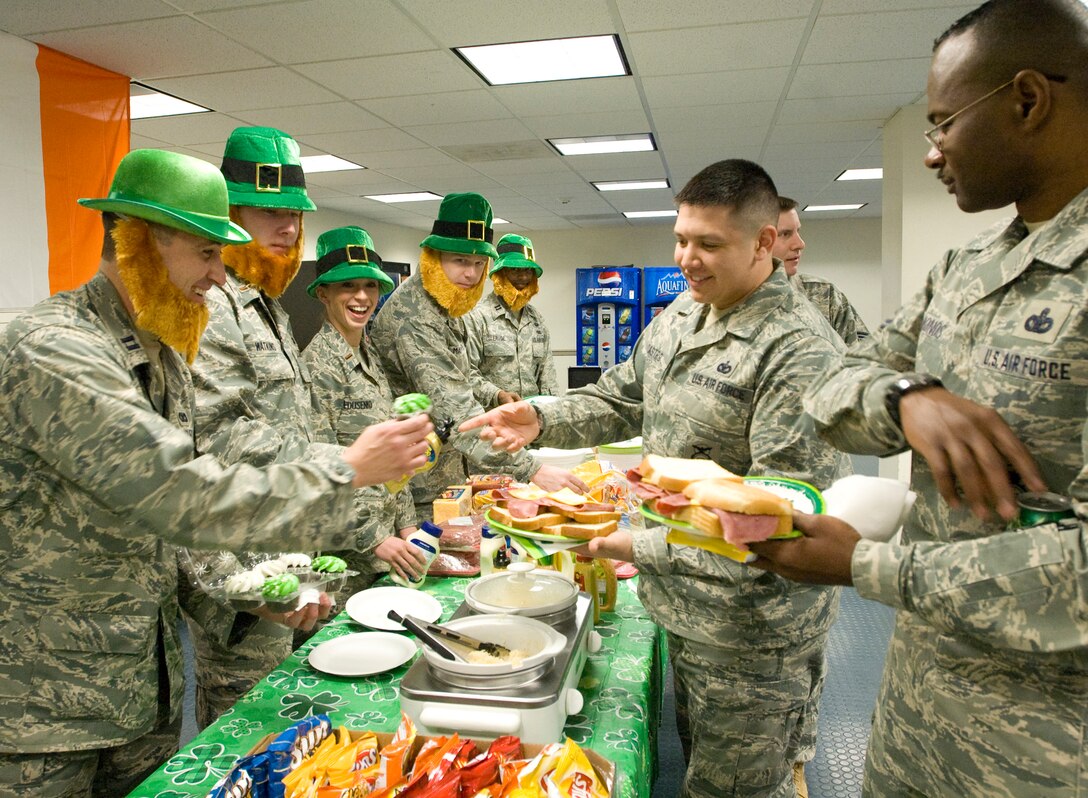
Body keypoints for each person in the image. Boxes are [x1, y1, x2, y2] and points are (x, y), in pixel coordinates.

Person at [0, 148, 430, 796]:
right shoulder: (56, 349)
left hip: (143, 680)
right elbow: (176, 493)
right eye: (205, 254)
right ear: (141, 242)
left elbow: (163, 533)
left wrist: (247, 593)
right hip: (47, 704)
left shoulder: (159, 349)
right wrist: (342, 469)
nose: (215, 275)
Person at [750, 2, 1088, 796]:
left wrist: (870, 567)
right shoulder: (965, 268)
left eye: (942, 124)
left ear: (1028, 99)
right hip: (920, 710)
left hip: (1047, 748)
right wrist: (907, 398)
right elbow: (831, 384)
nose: (932, 153)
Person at [461, 160, 851, 798]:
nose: (688, 259)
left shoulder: (799, 352)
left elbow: (778, 528)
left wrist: (633, 546)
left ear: (763, 244)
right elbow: (620, 398)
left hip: (753, 636)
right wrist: (538, 417)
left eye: (709, 244)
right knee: (699, 765)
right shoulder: (683, 311)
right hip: (687, 609)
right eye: (682, 239)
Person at [178, 126, 340, 730]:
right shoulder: (213, 303)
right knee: (246, 730)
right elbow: (221, 440)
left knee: (287, 726)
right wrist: (348, 467)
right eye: (270, 212)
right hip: (241, 564)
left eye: (295, 213)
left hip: (285, 548)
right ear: (229, 215)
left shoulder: (266, 301)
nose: (289, 228)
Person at [370, 192, 585, 520]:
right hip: (412, 484)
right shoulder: (414, 313)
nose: (470, 274)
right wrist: (532, 468)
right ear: (434, 256)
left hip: (449, 467)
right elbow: (454, 406)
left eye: (477, 263)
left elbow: (463, 378)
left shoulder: (447, 301)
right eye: (459, 260)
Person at [301, 226, 428, 591]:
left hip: (389, 545)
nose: (361, 296)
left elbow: (393, 452)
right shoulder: (318, 366)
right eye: (348, 286)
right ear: (323, 293)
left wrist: (406, 524)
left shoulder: (368, 353)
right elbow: (320, 470)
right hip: (345, 559)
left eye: (370, 286)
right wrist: (374, 538)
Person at [463, 233, 559, 406]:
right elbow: (466, 372)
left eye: (527, 270)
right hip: (493, 418)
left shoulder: (536, 320)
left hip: (531, 418)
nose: (523, 277)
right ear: (500, 273)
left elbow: (547, 374)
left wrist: (553, 411)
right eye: (514, 270)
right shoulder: (478, 317)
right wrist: (497, 395)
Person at [773, 196, 869, 345]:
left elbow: (861, 361)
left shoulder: (824, 295)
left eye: (798, 231)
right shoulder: (728, 301)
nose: (800, 244)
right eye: (785, 234)